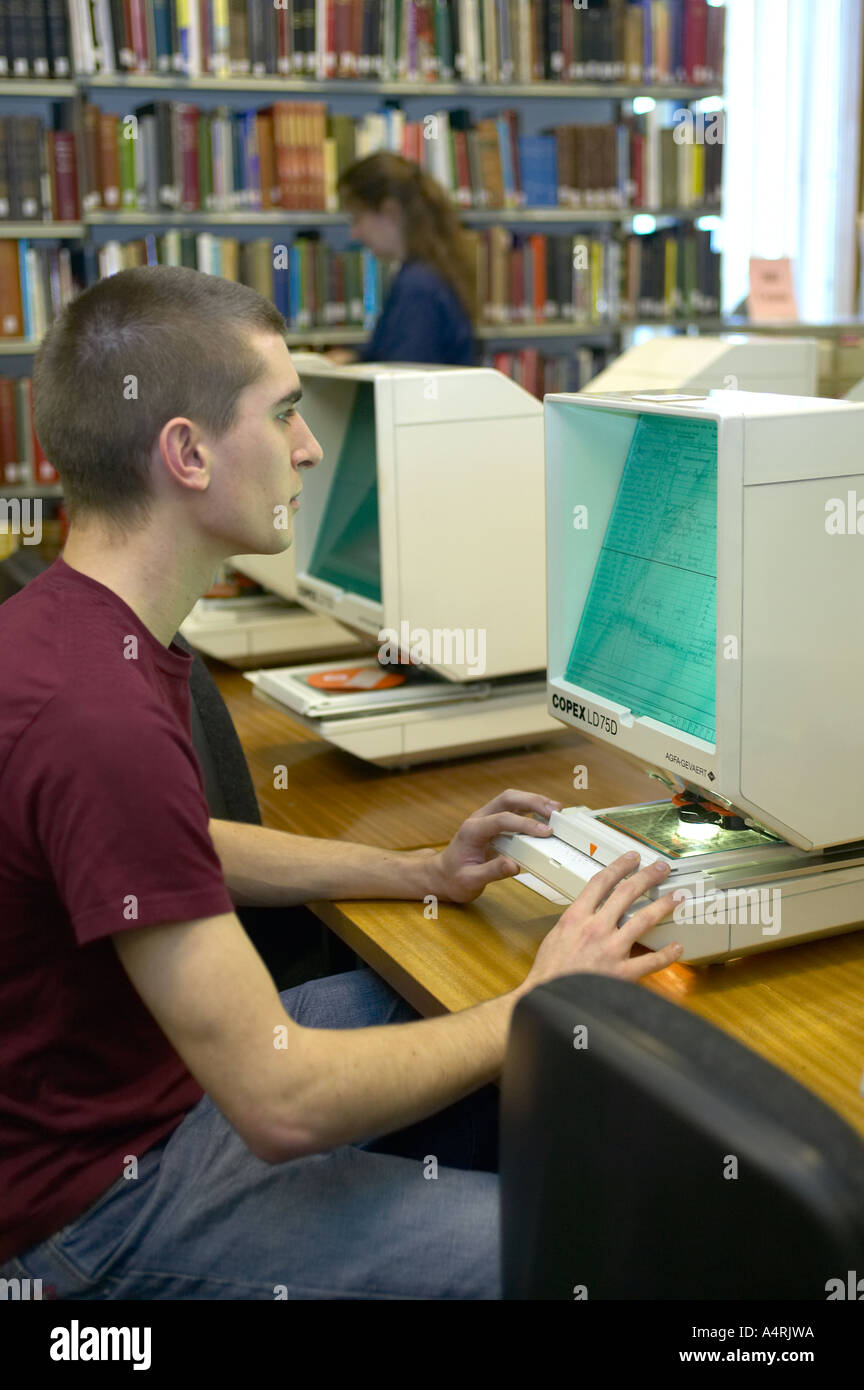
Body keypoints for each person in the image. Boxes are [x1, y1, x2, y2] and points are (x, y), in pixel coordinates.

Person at [0, 265, 682, 1301]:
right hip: (105, 1209)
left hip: (143, 1096)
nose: (312, 448)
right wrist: (540, 1003)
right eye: (283, 416)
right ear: (184, 452)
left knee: (428, 1000)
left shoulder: (61, 625)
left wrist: (411, 866)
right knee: (587, 1256)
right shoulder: (97, 712)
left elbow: (171, 843)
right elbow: (278, 1101)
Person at [325, 151, 478, 367]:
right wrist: (355, 359)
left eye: (358, 218)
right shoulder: (427, 271)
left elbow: (403, 376)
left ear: (390, 211)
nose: (355, 233)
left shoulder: (418, 285)